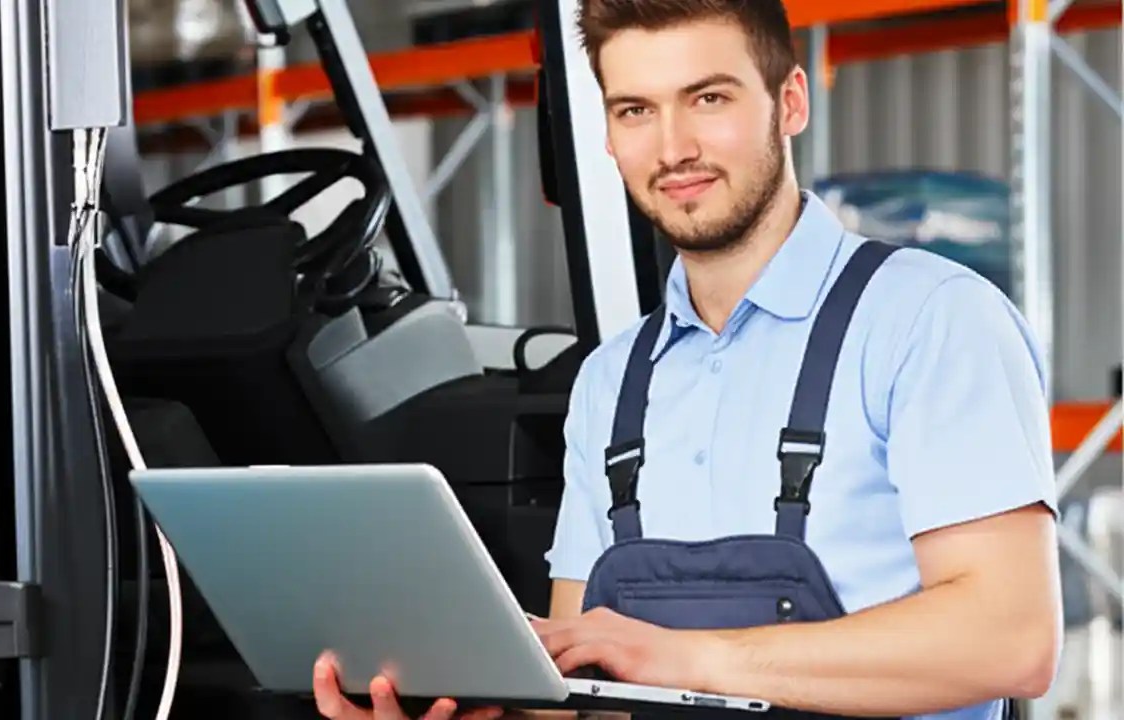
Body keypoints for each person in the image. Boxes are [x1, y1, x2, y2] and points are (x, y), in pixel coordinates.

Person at [312, 1, 1064, 719]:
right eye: (635, 110)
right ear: (607, 132)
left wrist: (686, 658)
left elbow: (1010, 639)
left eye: (707, 98)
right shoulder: (611, 382)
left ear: (790, 102)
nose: (672, 149)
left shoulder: (930, 320)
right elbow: (587, 693)